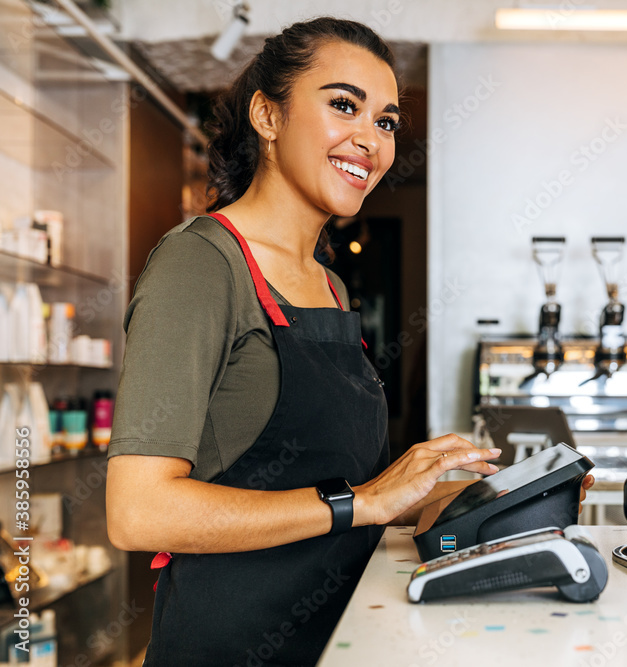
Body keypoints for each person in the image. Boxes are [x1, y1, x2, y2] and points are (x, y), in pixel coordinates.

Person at [106, 17, 592, 666]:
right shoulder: (199, 264)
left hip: (338, 639)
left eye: (386, 121)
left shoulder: (329, 285)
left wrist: (496, 495)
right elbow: (138, 511)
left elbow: (350, 499)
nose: (371, 139)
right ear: (267, 115)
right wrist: (361, 501)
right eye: (343, 105)